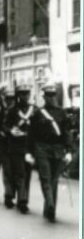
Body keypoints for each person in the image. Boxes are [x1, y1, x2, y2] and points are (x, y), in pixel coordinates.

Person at [27, 82, 73, 222]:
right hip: (42, 148)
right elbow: (31, 135)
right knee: (45, 178)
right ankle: (51, 205)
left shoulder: (62, 113)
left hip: (58, 149)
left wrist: (69, 151)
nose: (51, 98)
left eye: (53, 95)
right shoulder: (37, 113)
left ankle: (49, 208)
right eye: (48, 95)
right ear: (44, 97)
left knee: (53, 180)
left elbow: (67, 133)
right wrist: (29, 152)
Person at [3, 83, 33, 214]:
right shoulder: (12, 111)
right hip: (16, 146)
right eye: (22, 93)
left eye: (27, 93)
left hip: (30, 147)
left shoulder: (35, 110)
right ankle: (22, 201)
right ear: (18, 95)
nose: (25, 96)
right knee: (20, 174)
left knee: (28, 175)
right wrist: (11, 131)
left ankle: (24, 198)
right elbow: (4, 126)